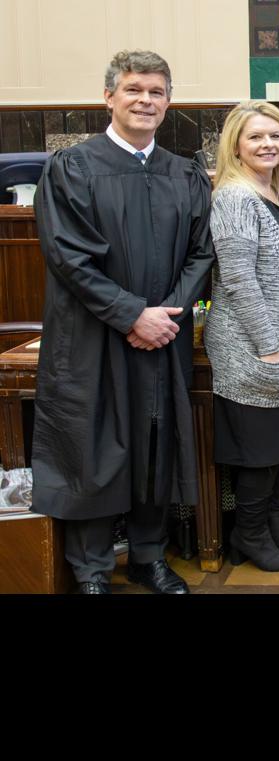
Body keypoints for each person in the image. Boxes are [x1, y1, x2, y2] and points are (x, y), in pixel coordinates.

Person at [31, 50, 212, 594]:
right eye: (134, 89)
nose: (145, 100)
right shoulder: (73, 167)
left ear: (168, 102)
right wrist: (133, 314)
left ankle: (148, 556)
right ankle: (90, 569)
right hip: (93, 337)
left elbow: (202, 255)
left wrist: (166, 316)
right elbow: (67, 257)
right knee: (93, 446)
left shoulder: (184, 172)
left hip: (163, 339)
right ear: (108, 96)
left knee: (155, 442)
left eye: (156, 92)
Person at [205, 99, 279, 571]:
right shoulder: (234, 196)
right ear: (236, 145)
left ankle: (274, 529)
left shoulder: (273, 192)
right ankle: (249, 537)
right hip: (246, 342)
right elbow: (237, 278)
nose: (268, 144)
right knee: (256, 449)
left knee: (275, 446)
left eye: (275, 136)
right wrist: (269, 346)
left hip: (274, 342)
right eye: (256, 137)